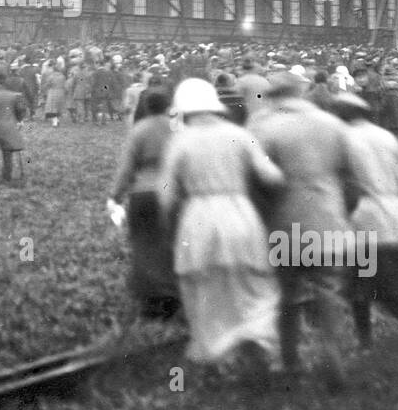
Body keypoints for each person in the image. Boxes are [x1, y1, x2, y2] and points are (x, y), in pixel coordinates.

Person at [157, 78, 282, 379]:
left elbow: (166, 195)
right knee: (253, 285)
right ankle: (258, 338)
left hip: (198, 219)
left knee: (205, 290)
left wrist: (168, 227)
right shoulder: (240, 135)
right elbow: (273, 178)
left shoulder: (180, 142)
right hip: (240, 215)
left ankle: (219, 357)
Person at [248, 72, 359, 388]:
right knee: (328, 291)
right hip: (328, 221)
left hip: (284, 225)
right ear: (301, 93)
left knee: (286, 296)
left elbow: (254, 178)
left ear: (274, 96)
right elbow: (350, 174)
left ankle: (291, 363)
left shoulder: (262, 125)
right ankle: (332, 353)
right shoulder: (330, 123)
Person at [329, 93, 398, 347]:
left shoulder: (342, 139)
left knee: (361, 285)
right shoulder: (386, 137)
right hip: (397, 215)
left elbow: (343, 184)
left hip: (365, 217)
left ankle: (365, 340)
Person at [108, 87, 179, 320]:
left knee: (144, 248)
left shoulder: (139, 130)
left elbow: (126, 168)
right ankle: (173, 297)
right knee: (171, 245)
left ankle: (151, 301)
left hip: (144, 194)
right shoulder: (177, 128)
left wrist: (116, 195)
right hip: (172, 193)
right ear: (169, 106)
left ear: (147, 107)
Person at [0, 70, 28, 184]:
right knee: (7, 153)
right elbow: (20, 110)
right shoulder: (14, 96)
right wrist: (19, 120)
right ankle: (7, 176)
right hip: (10, 127)